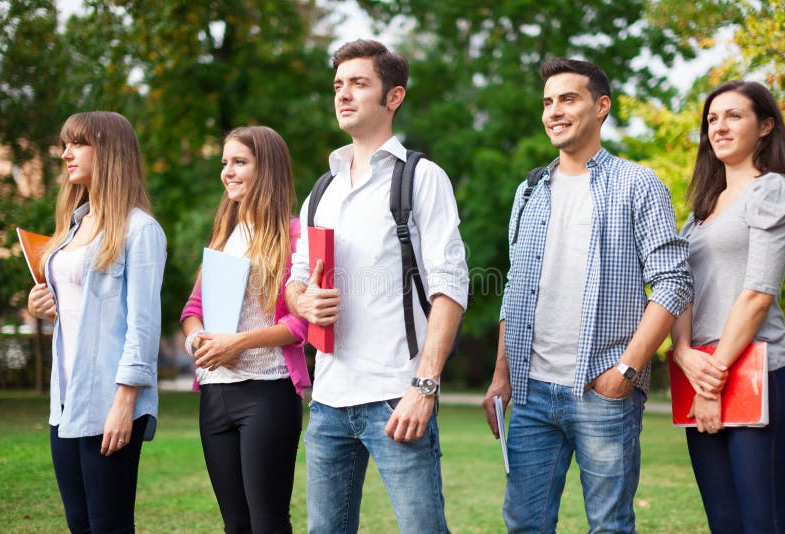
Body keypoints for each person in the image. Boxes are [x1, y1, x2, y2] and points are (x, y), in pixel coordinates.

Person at [482, 58, 693, 533]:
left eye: (568, 98)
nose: (554, 111)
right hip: (533, 393)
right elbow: (516, 288)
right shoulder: (529, 190)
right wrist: (502, 377)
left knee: (609, 526)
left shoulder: (638, 185)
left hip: (603, 393)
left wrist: (626, 370)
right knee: (523, 523)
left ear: (601, 107)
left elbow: (674, 281)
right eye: (548, 102)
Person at [284, 39, 468, 533]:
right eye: (338, 85)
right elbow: (295, 282)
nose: (344, 94)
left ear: (394, 97)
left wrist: (424, 387)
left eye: (359, 84)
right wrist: (305, 300)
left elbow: (450, 288)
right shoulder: (321, 189)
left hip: (395, 397)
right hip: (327, 401)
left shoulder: (421, 179)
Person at [26, 111, 166, 533]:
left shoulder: (140, 230)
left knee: (110, 526)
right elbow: (76, 308)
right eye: (66, 144)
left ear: (108, 152)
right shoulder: (73, 226)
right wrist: (42, 304)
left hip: (110, 403)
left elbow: (143, 327)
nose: (65, 153)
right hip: (66, 402)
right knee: (79, 524)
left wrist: (124, 405)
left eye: (77, 144)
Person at [670, 80, 785, 533]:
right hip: (699, 372)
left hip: (755, 372)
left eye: (734, 116)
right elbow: (680, 286)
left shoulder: (772, 191)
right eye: (712, 119)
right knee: (723, 521)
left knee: (766, 521)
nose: (719, 127)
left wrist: (711, 384)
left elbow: (758, 293)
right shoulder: (700, 211)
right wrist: (683, 354)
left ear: (765, 126)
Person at [180, 125, 309, 533]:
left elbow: (299, 322)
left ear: (266, 168)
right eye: (225, 163)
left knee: (267, 522)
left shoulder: (293, 236)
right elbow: (193, 308)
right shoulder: (225, 234)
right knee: (234, 523)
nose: (228, 172)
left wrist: (238, 342)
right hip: (214, 394)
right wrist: (196, 338)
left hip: (266, 393)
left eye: (240, 162)